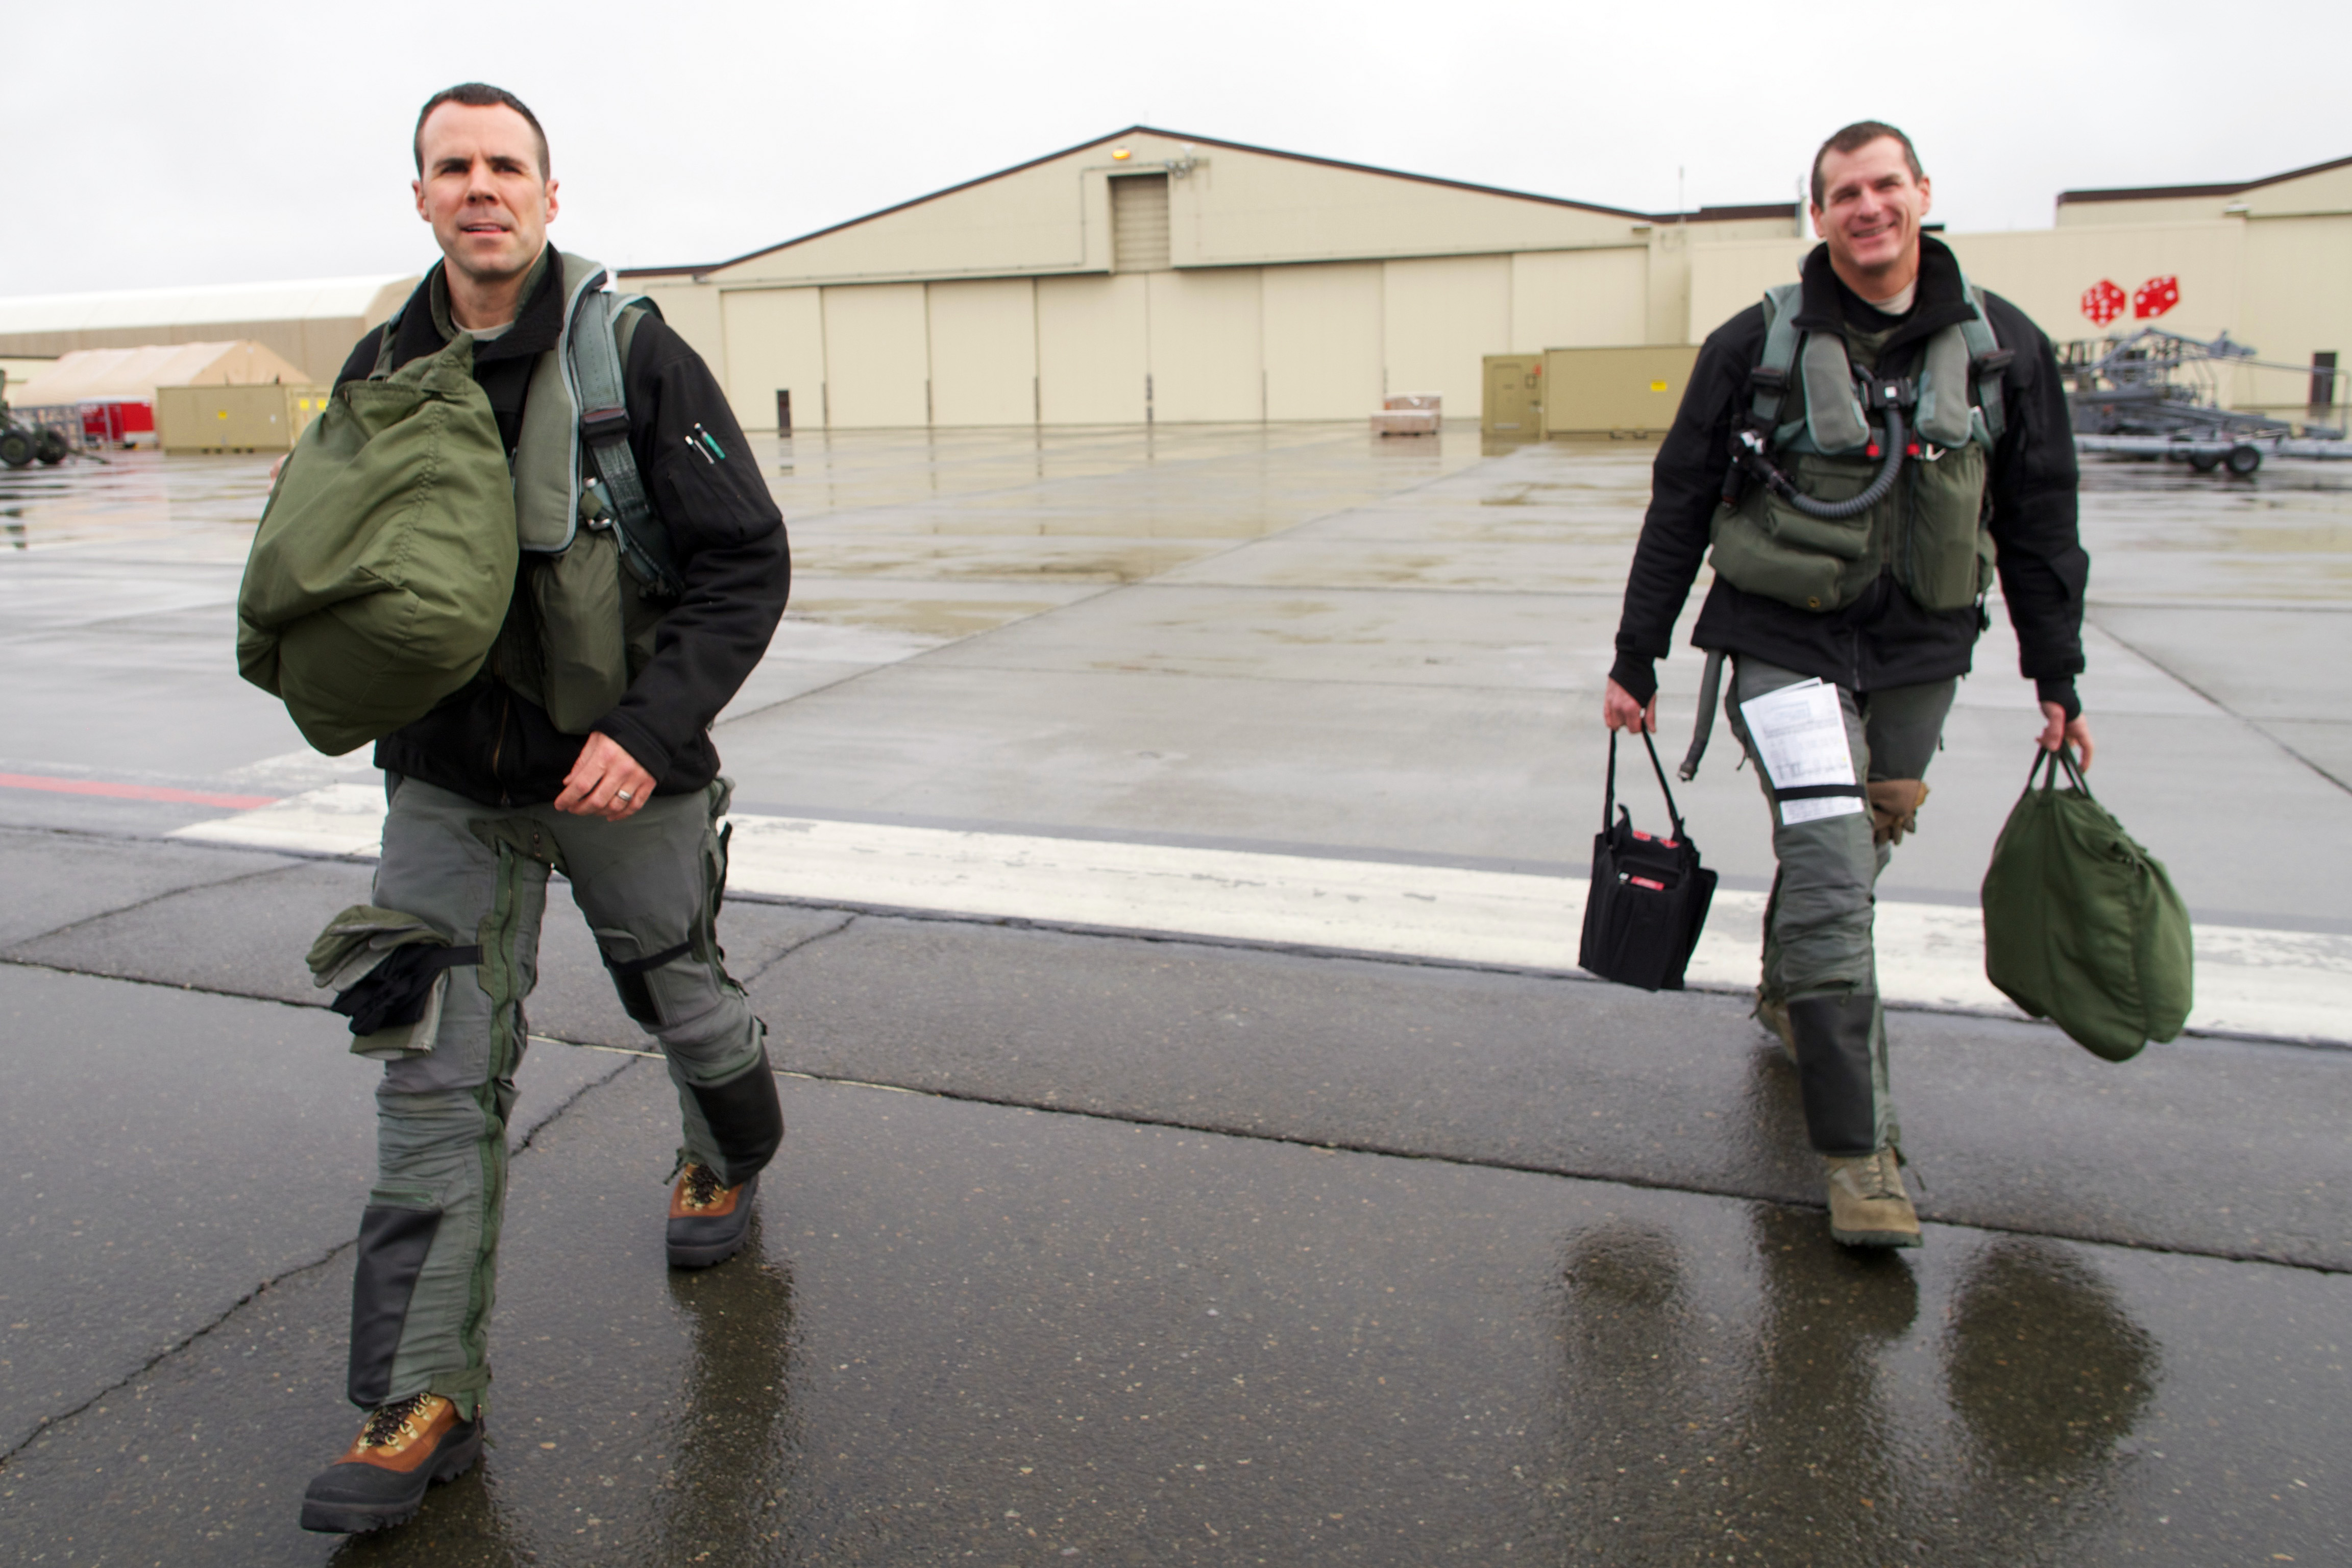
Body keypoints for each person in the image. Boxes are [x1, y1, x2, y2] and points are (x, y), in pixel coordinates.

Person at [297, 83, 791, 1535]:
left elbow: (744, 565)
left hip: (619, 768)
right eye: (452, 168)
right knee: (433, 1067)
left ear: (549, 196)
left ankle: (730, 1151)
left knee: (683, 998)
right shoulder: (383, 365)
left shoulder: (634, 358)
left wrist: (649, 732)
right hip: (451, 784)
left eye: (505, 166)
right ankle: (421, 1394)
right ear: (422, 199)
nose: (480, 189)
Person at [1603, 121, 2091, 1250]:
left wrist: (2056, 673)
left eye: (1886, 186)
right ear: (1815, 217)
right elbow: (1681, 499)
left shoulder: (2005, 347)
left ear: (1922, 193)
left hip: (1923, 650)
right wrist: (1640, 655)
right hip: (1783, 643)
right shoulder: (1755, 345)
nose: (1867, 208)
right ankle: (1859, 1157)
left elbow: (2040, 519)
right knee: (1831, 869)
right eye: (1843, 194)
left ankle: (1790, 985)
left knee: (1861, 849)